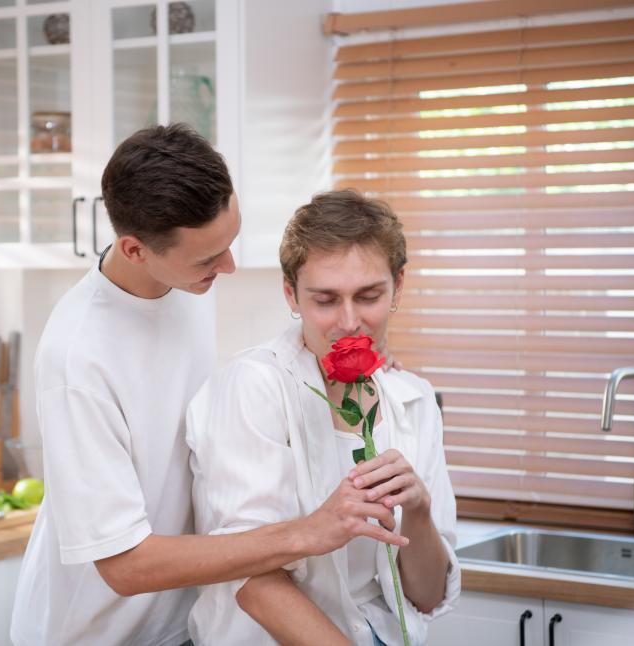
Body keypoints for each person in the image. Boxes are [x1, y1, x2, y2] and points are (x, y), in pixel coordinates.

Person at [10, 127, 408, 646]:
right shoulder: (78, 358)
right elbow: (125, 566)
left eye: (230, 242)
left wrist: (356, 351)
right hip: (97, 634)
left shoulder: (185, 283)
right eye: (208, 259)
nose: (229, 266)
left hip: (181, 622)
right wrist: (307, 531)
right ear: (134, 250)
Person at [186, 189, 461, 646]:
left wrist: (419, 511)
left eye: (369, 295)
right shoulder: (252, 387)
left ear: (399, 287)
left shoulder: (413, 399)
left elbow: (427, 597)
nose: (350, 322)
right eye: (326, 299)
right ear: (291, 294)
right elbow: (252, 581)